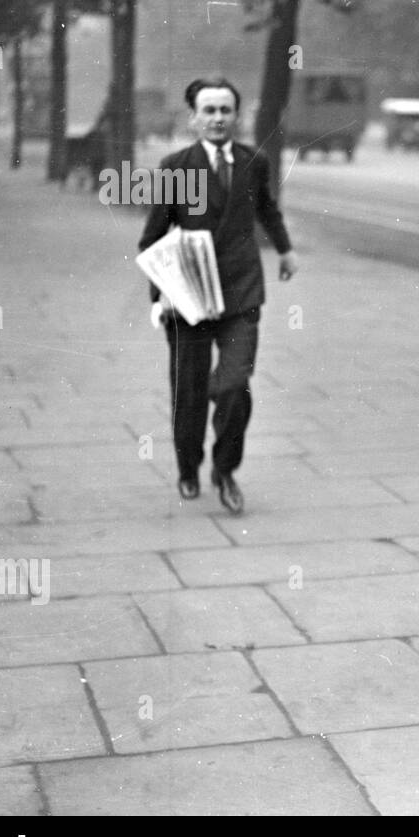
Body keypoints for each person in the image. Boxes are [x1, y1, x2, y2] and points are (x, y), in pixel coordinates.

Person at [138, 78, 299, 514]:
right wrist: (160, 296)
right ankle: (188, 467)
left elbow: (266, 208)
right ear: (194, 118)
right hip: (187, 297)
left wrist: (284, 249)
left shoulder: (254, 161)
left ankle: (225, 470)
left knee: (233, 387)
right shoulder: (176, 167)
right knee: (188, 391)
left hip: (241, 293)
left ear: (237, 116)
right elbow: (152, 239)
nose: (217, 119)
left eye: (225, 110)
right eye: (208, 111)